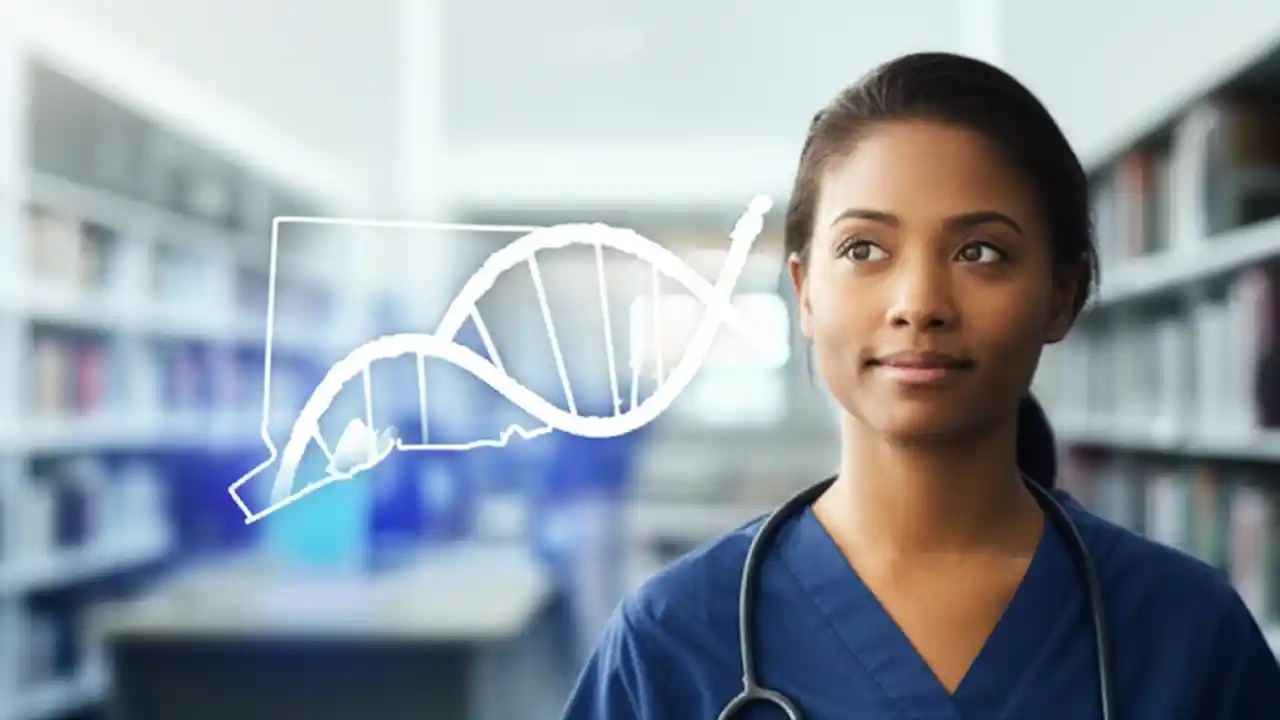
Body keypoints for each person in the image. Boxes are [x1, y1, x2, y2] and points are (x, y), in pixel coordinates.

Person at [559, 51, 1280, 719]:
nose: (919, 302)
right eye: (864, 249)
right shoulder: (672, 640)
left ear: (1063, 294)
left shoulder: (1188, 634)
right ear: (805, 293)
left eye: (980, 251)